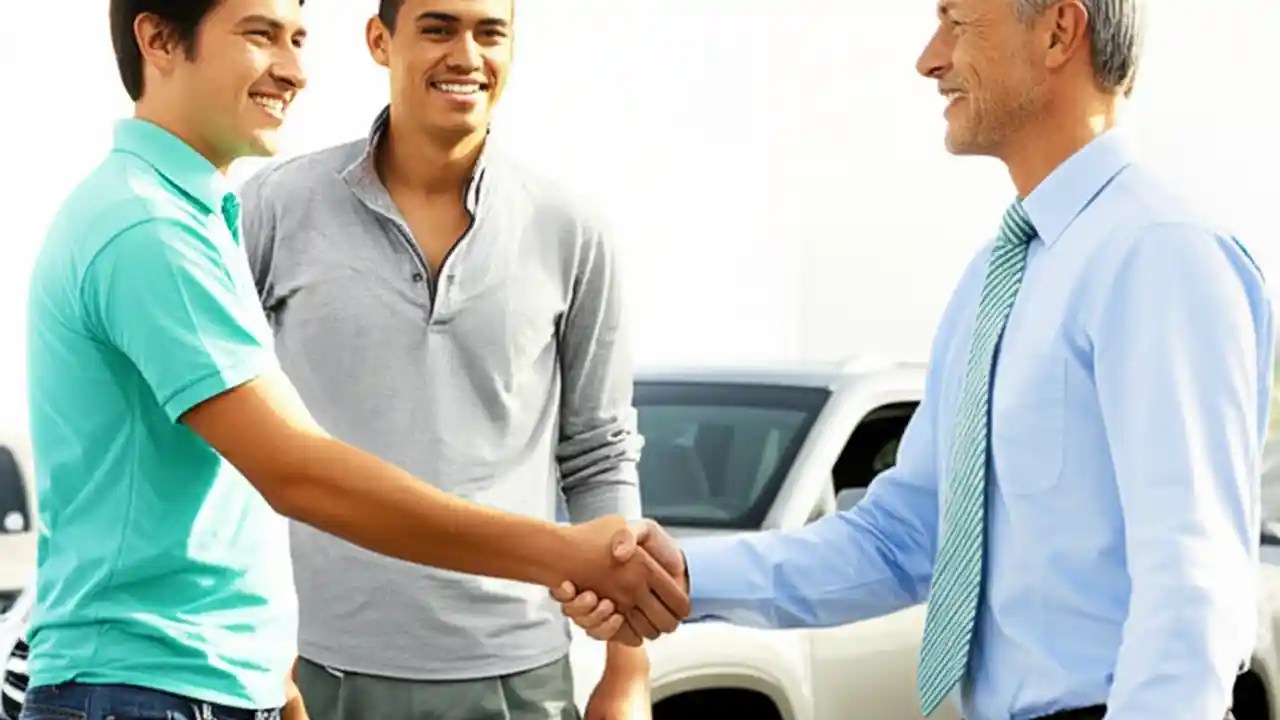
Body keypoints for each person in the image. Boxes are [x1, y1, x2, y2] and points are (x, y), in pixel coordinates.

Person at [554, 0, 1277, 718]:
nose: (930, 59)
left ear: (1059, 30)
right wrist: (681, 573)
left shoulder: (1160, 254)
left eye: (958, 23)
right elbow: (904, 537)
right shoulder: (997, 277)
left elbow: (1192, 590)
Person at [20, 1, 685, 719]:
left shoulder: (195, 216)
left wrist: (626, 666)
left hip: (253, 678)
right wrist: (563, 554)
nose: (295, 70)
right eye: (260, 35)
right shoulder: (159, 227)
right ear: (157, 39)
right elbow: (291, 468)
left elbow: (599, 449)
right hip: (160, 684)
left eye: (298, 39)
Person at [235, 0, 662, 717]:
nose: (466, 55)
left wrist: (628, 674)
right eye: (438, 28)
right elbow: (230, 451)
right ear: (380, 41)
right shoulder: (275, 208)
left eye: (490, 32)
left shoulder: (571, 226)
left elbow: (599, 453)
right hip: (317, 668)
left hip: (517, 675)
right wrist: (262, 656)